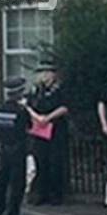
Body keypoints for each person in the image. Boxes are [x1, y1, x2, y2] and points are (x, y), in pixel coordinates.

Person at [0, 76, 30, 215]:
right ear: (19, 93)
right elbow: (29, 126)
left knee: (2, 181)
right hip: (18, 149)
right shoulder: (21, 111)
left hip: (3, 149)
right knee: (17, 184)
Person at [26, 61, 69, 206]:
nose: (43, 76)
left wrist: (48, 118)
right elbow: (28, 106)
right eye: (41, 72)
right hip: (39, 129)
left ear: (53, 74)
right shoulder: (36, 90)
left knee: (55, 162)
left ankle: (56, 195)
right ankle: (41, 194)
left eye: (46, 72)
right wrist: (37, 117)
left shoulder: (60, 89)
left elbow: (64, 107)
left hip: (56, 129)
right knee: (40, 161)